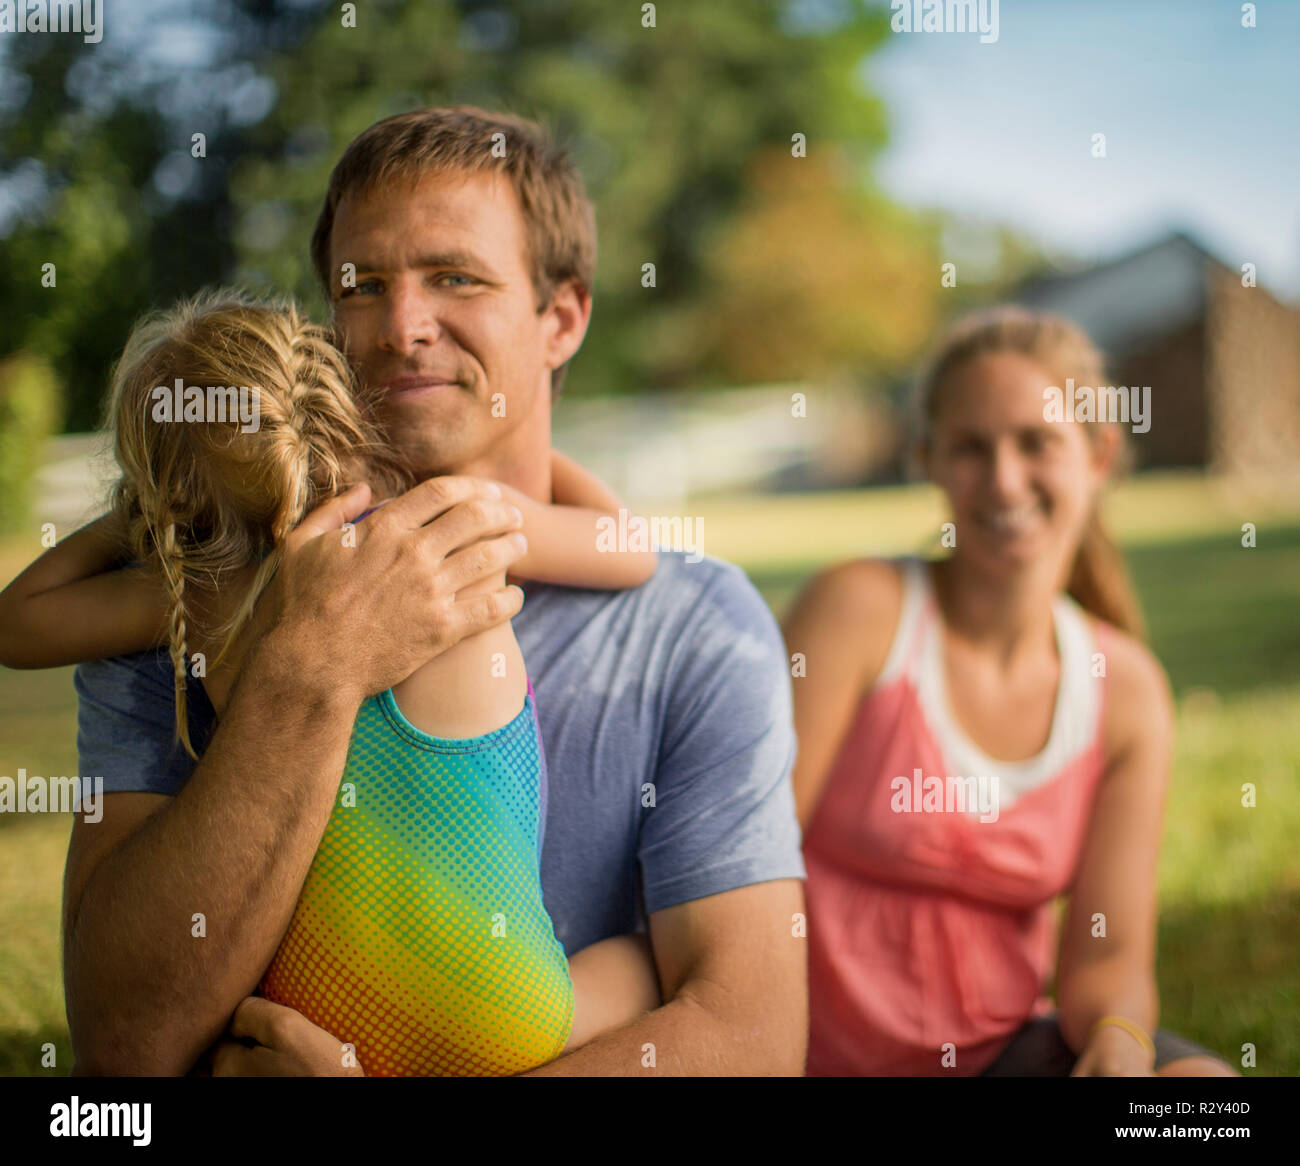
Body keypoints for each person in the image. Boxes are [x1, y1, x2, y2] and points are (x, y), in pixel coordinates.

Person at [42, 106, 806, 1077]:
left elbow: (751, 1038)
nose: (402, 327)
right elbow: (124, 1052)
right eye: (362, 286)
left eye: (457, 277)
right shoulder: (207, 585)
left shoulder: (694, 624)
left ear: (560, 317)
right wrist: (310, 669)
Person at [0, 290, 666, 1075]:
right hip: (505, 1010)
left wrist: (155, 512)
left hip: (310, 1017)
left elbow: (18, 621)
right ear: (344, 416)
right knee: (641, 959)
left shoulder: (192, 593)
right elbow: (632, 548)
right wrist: (504, 473)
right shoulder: (434, 528)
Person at [783, 307, 1236, 1077]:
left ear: (1098, 455)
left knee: (1203, 1098)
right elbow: (742, 862)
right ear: (927, 459)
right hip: (807, 1056)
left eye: (1037, 442)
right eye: (969, 447)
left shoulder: (1124, 690)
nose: (1002, 479)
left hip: (1002, 1058)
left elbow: (1110, 953)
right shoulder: (860, 609)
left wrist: (1120, 1044)